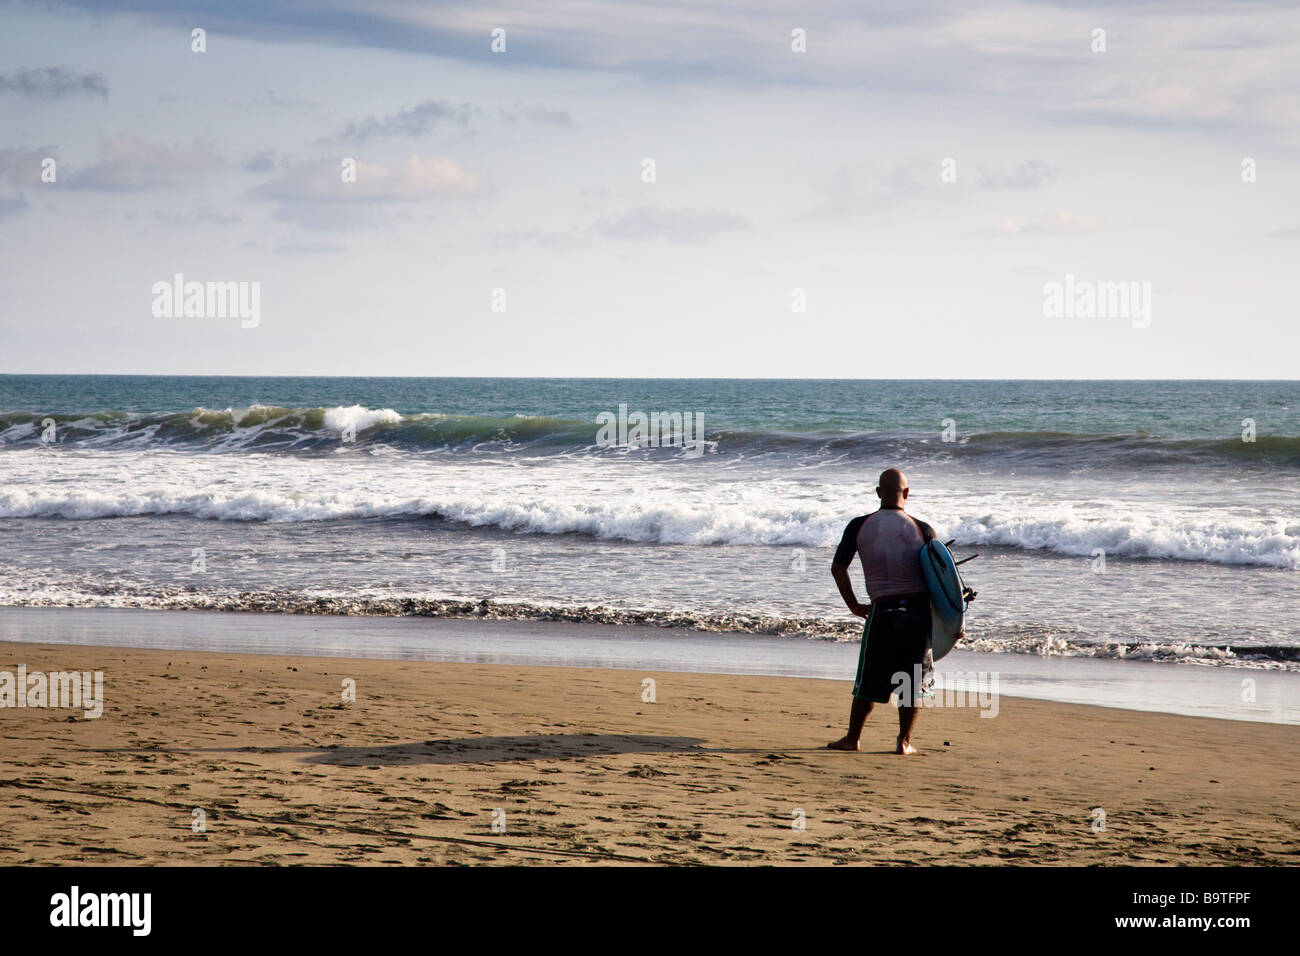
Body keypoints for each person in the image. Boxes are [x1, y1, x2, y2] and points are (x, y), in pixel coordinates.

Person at [827, 468, 938, 755]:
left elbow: (838, 568)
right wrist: (953, 621)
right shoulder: (923, 529)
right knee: (911, 683)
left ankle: (853, 739)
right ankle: (903, 742)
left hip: (882, 611)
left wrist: (853, 605)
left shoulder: (859, 526)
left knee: (869, 680)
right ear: (907, 493)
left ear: (878, 493)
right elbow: (942, 581)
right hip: (917, 615)